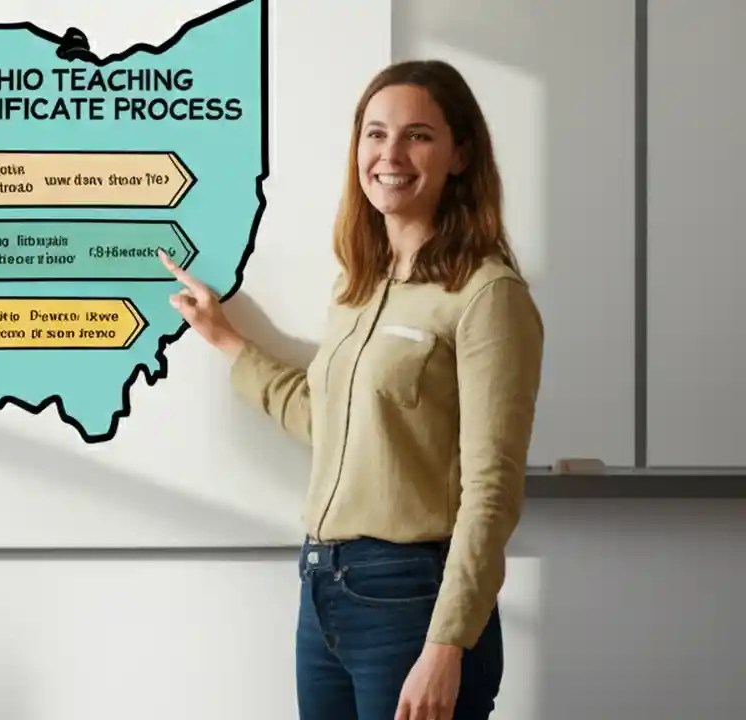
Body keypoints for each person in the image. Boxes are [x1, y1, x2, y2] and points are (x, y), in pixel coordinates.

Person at [160, 59, 544, 720]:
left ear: (460, 155)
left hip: (412, 601)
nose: (390, 153)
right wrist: (227, 341)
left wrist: (447, 643)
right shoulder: (357, 288)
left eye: (418, 135)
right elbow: (331, 424)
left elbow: (493, 493)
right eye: (375, 133)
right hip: (322, 590)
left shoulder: (487, 296)